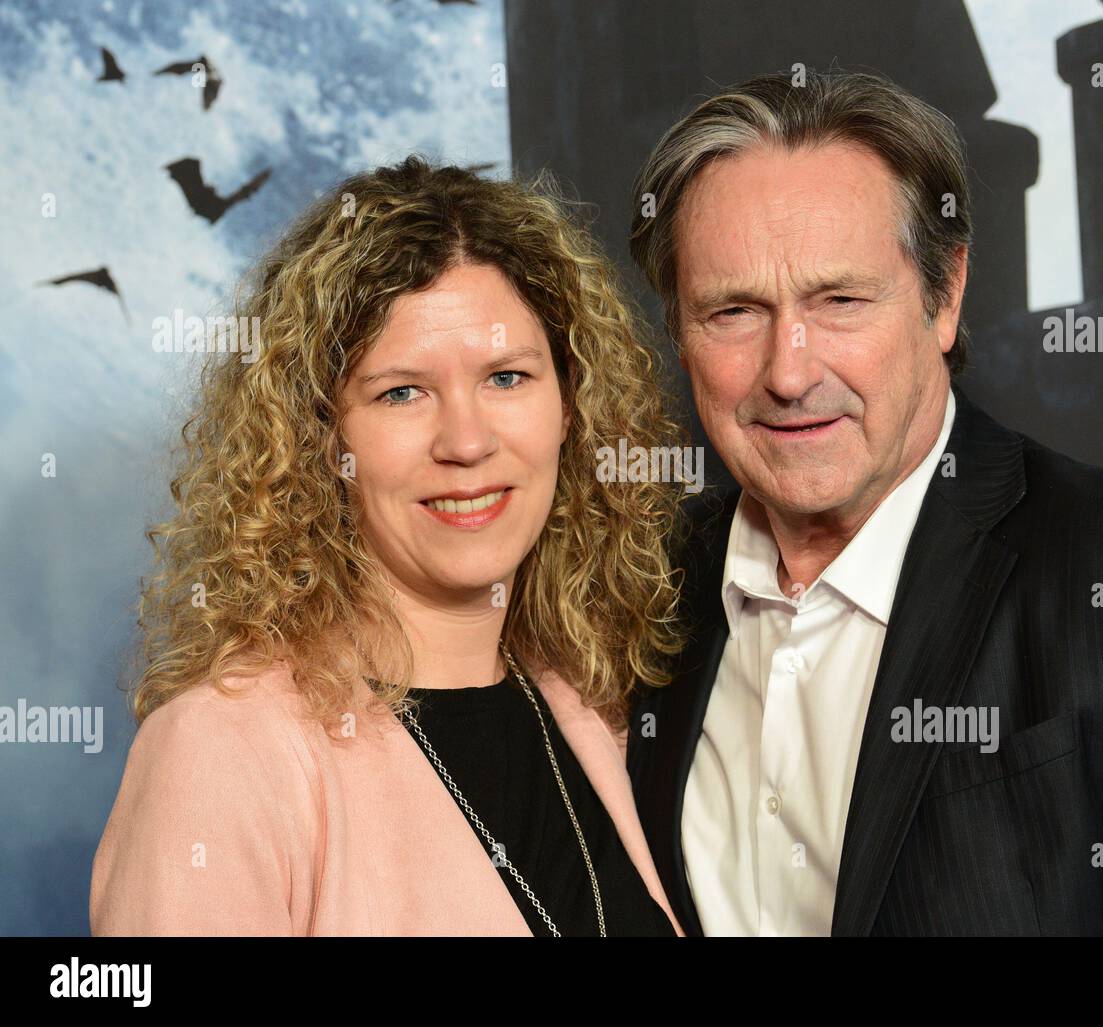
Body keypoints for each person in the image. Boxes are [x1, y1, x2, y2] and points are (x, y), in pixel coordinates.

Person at [625, 69, 1103, 936]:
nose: (788, 372)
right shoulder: (639, 590)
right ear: (680, 332)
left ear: (944, 295)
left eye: (840, 300)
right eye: (734, 311)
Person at [90, 155, 685, 936]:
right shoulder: (220, 756)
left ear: (570, 406)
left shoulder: (587, 711)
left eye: (507, 377)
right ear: (316, 437)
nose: (467, 442)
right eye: (401, 392)